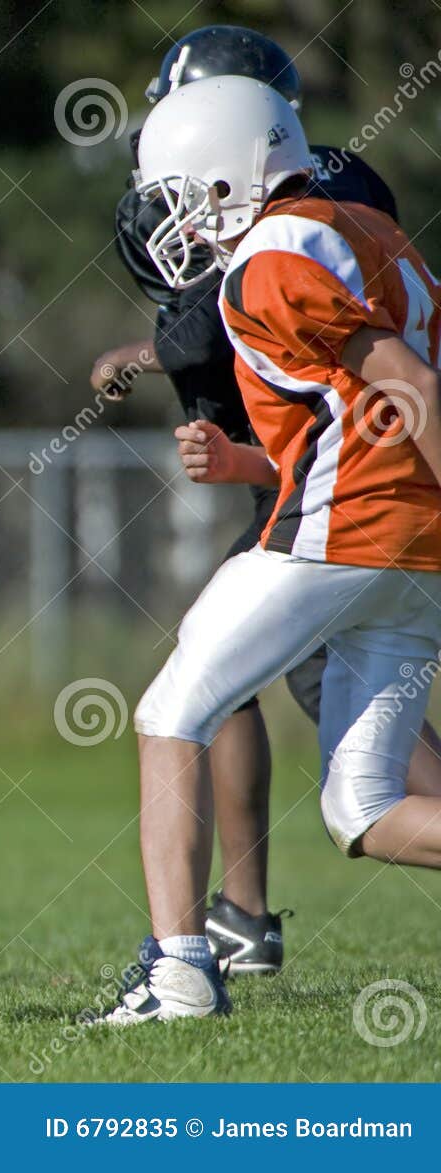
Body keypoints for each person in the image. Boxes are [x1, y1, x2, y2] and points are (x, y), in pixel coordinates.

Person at [88, 24, 438, 977]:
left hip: (353, 528)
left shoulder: (270, 259)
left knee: (172, 709)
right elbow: (344, 413)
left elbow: (408, 383)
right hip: (404, 548)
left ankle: (179, 970)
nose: (175, 219)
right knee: (363, 811)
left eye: (181, 192)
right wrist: (247, 470)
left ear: (222, 171)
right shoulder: (365, 227)